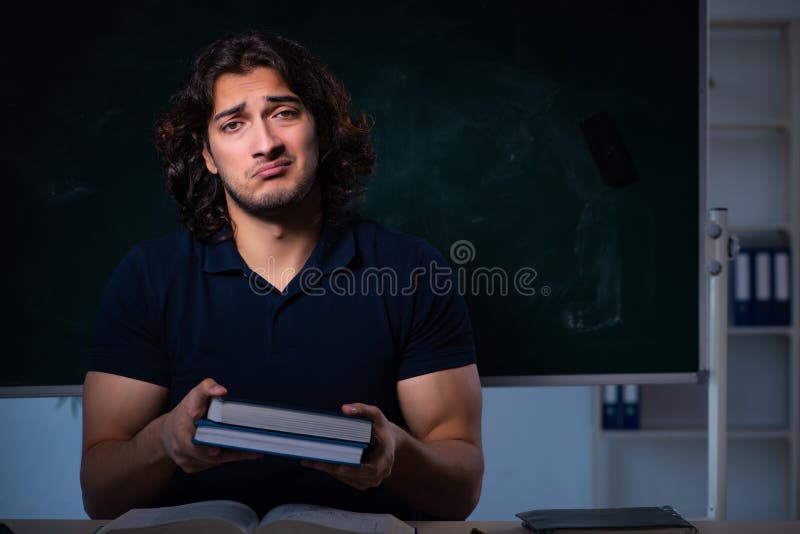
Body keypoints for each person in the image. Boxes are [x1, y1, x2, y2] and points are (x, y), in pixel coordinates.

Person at [80, 30, 483, 521]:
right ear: (207, 156)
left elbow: (461, 490)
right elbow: (99, 493)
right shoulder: (147, 278)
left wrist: (396, 454)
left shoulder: (412, 271)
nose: (265, 144)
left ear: (323, 129)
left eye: (284, 113)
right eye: (233, 125)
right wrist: (162, 442)